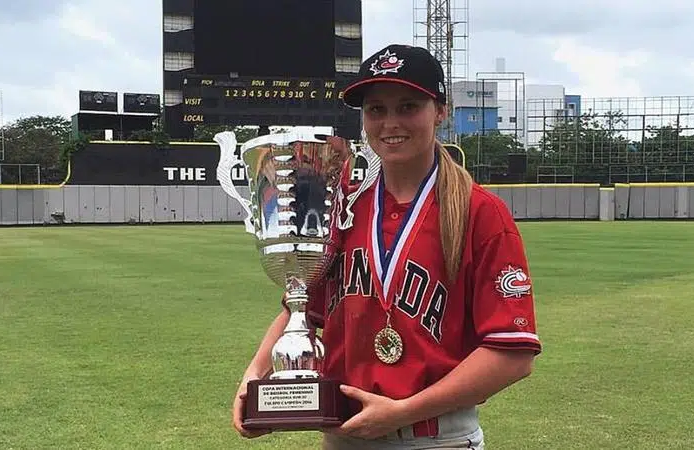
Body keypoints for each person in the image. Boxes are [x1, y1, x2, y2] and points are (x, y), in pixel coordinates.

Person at [232, 44, 542, 449]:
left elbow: (513, 355)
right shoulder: (341, 203)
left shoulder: (480, 213)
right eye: (376, 110)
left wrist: (405, 411)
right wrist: (255, 377)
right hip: (346, 439)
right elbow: (303, 307)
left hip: (437, 440)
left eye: (408, 106)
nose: (390, 123)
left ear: (440, 111)